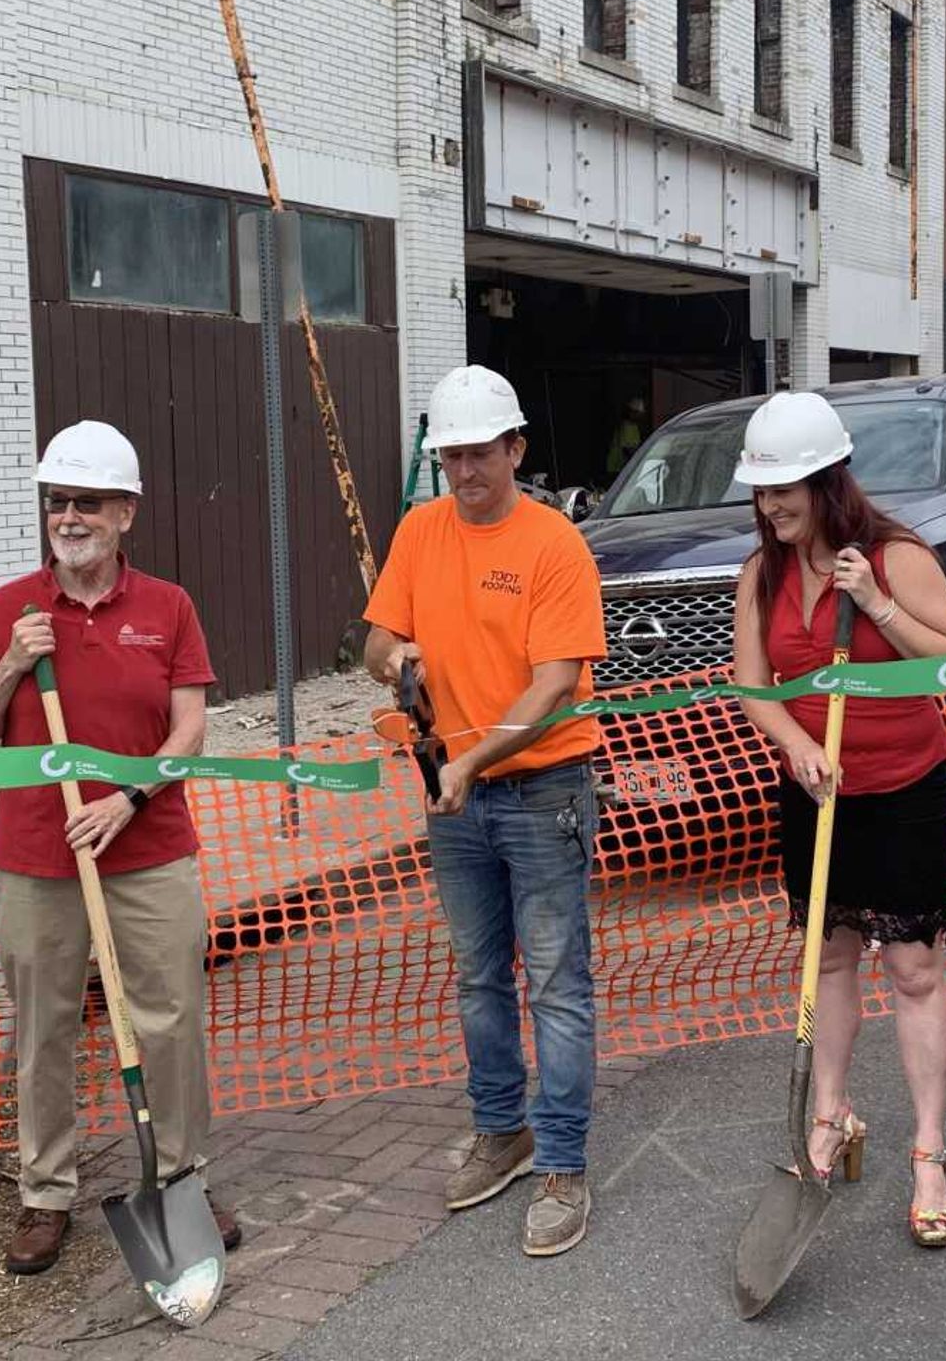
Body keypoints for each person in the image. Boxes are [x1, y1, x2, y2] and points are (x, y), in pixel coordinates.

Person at [0, 421, 239, 1274]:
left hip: (149, 852)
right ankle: (45, 1195)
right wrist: (9, 666)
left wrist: (129, 797)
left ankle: (182, 1179)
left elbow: (190, 725)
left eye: (87, 502)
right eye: (58, 501)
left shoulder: (168, 607)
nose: (68, 517)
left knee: (174, 1023)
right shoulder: (9, 609)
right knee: (43, 1031)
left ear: (126, 513)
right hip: (36, 857)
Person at [363, 365, 607, 1257]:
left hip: (542, 790)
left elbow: (553, 685)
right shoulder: (420, 533)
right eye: (453, 456)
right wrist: (400, 663)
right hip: (453, 794)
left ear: (517, 449)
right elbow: (376, 641)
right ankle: (502, 1129)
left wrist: (470, 758)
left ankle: (564, 1162)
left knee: (555, 983)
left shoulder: (553, 546)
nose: (467, 472)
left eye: (482, 454)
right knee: (477, 977)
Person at [731, 391, 946, 1248]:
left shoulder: (895, 556)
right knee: (828, 957)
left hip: (904, 786)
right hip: (820, 790)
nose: (773, 505)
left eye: (787, 487)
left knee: (912, 968)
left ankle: (928, 1152)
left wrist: (876, 606)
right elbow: (754, 688)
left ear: (831, 479)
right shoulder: (760, 575)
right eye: (762, 491)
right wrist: (796, 744)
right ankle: (829, 1116)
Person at [605, 395, 646, 479]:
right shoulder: (627, 426)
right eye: (638, 414)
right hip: (617, 467)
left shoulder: (634, 426)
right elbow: (627, 450)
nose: (640, 416)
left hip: (620, 467)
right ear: (632, 412)